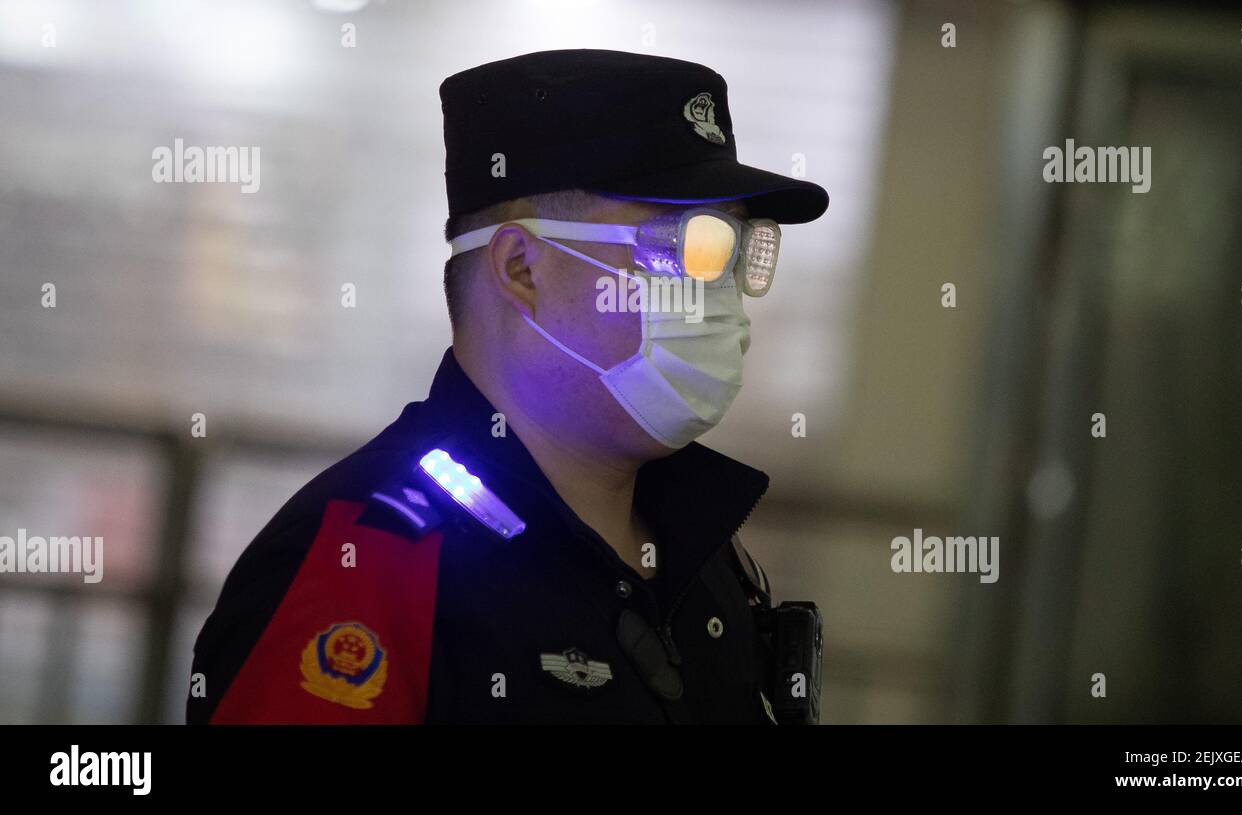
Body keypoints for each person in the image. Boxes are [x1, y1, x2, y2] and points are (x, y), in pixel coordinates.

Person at [187, 48, 829, 724]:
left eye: (734, 249)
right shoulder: (369, 563)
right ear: (522, 266)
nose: (719, 292)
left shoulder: (702, 562)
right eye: (684, 246)